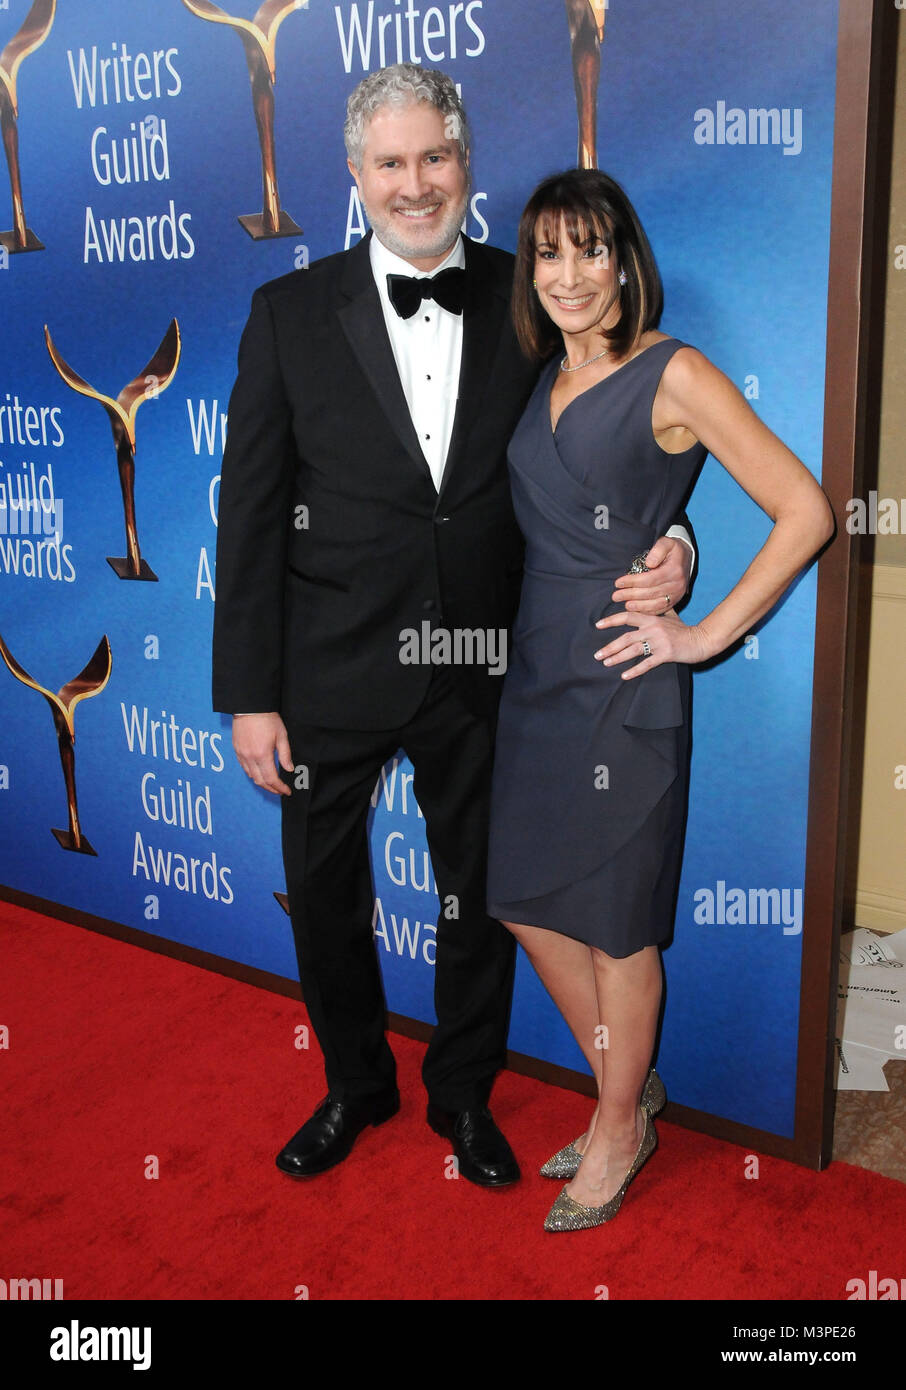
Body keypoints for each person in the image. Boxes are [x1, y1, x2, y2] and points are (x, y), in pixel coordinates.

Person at [212, 65, 695, 1188]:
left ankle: (464, 1095)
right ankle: (353, 1084)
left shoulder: (532, 297)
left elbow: (616, 459)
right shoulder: (288, 313)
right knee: (325, 892)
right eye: (392, 162)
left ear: (466, 166)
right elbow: (248, 513)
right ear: (355, 174)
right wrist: (249, 691)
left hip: (489, 663)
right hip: (328, 665)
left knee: (479, 898)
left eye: (436, 157)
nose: (415, 183)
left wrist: (679, 551)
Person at [486, 167, 834, 1229]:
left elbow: (806, 510)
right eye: (547, 252)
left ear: (625, 260)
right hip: (539, 673)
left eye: (590, 248)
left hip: (627, 685)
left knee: (615, 928)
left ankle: (620, 1117)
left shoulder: (673, 374)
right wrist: (678, 544)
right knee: (521, 902)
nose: (568, 273)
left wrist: (699, 631)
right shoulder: (536, 376)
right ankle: (626, 1090)